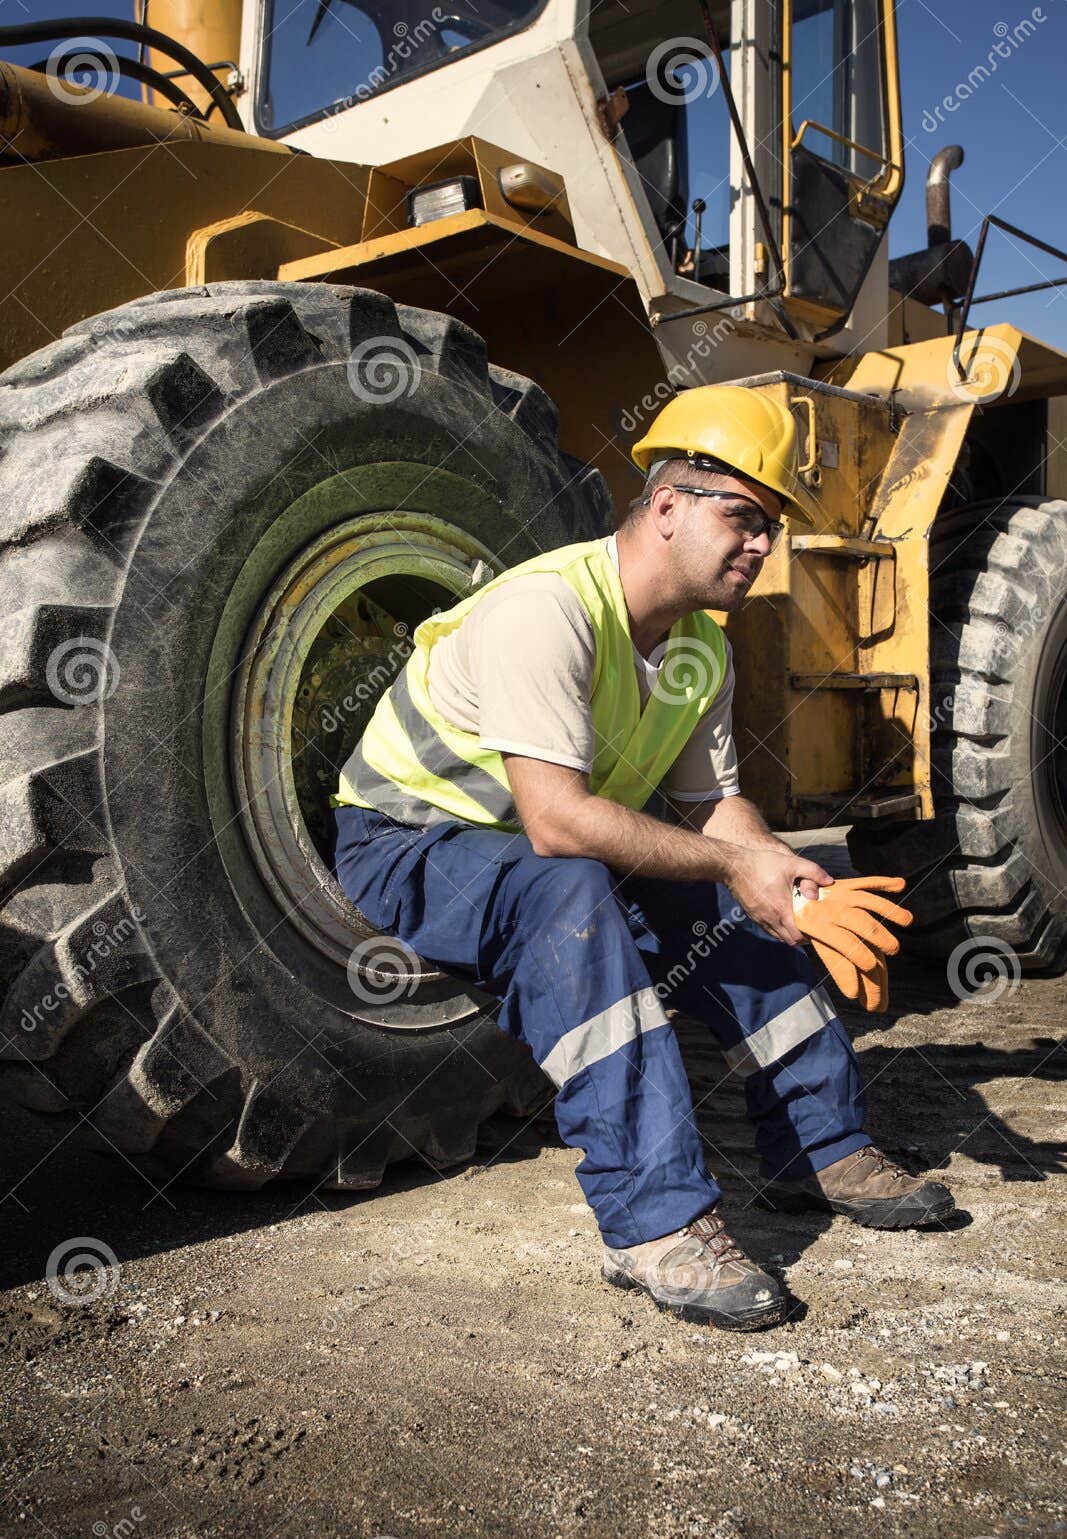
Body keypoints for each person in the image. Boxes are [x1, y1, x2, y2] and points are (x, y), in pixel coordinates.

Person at [330, 385, 954, 1331]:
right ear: (664, 507)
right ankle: (658, 1225)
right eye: (742, 517)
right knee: (574, 890)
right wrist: (730, 865)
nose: (760, 545)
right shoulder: (548, 610)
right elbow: (558, 824)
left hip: (545, 843)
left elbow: (713, 810)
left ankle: (821, 1146)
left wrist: (781, 874)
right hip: (411, 840)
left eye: (771, 528)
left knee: (746, 896)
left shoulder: (702, 645)